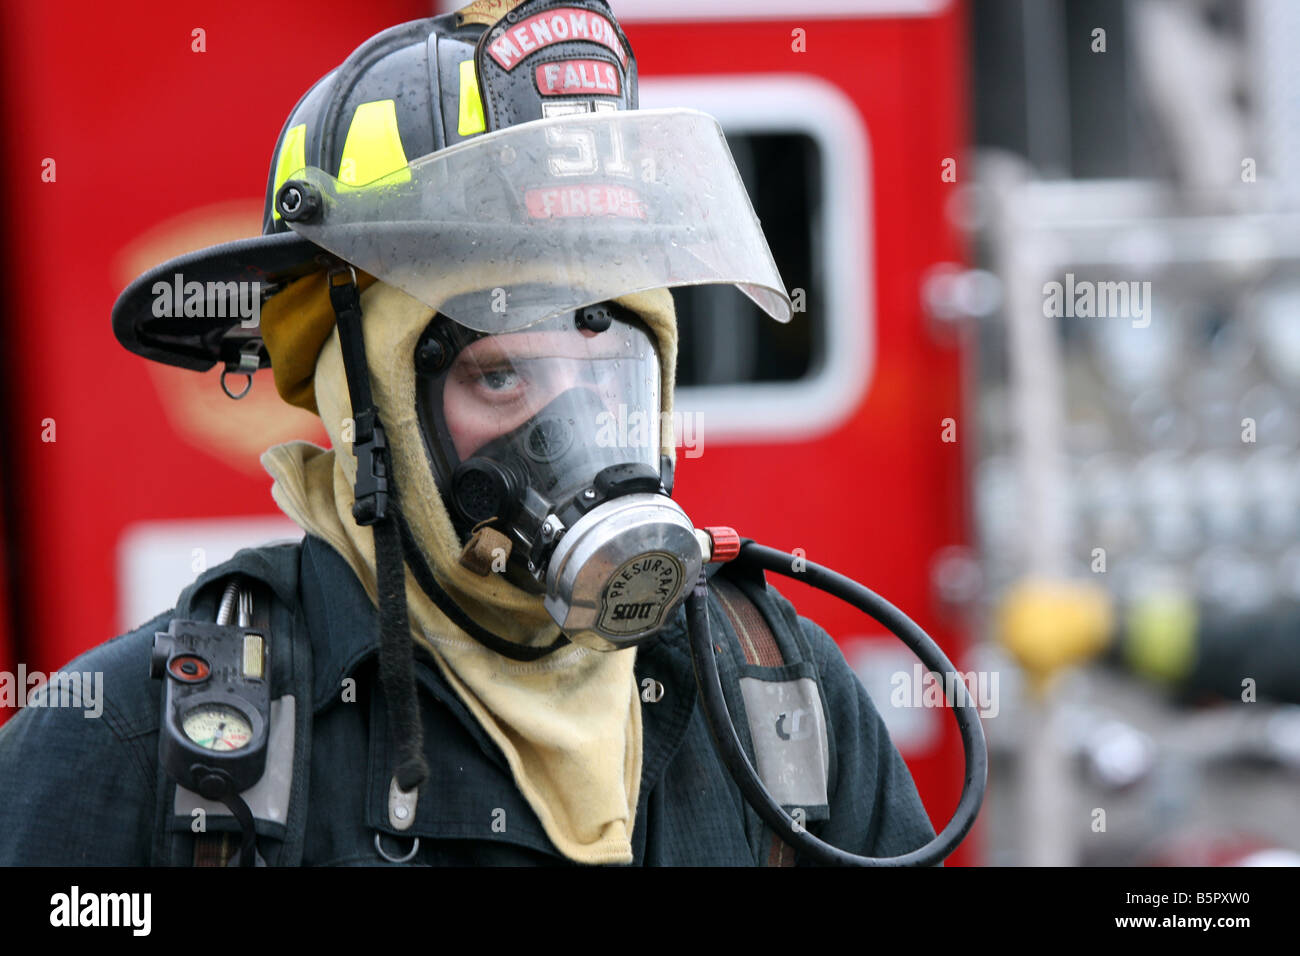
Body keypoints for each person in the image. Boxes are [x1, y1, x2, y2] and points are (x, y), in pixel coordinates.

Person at [0, 0, 937, 866]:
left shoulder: (782, 699)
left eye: (605, 365)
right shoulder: (137, 742)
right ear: (367, 409)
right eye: (499, 374)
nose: (567, 427)